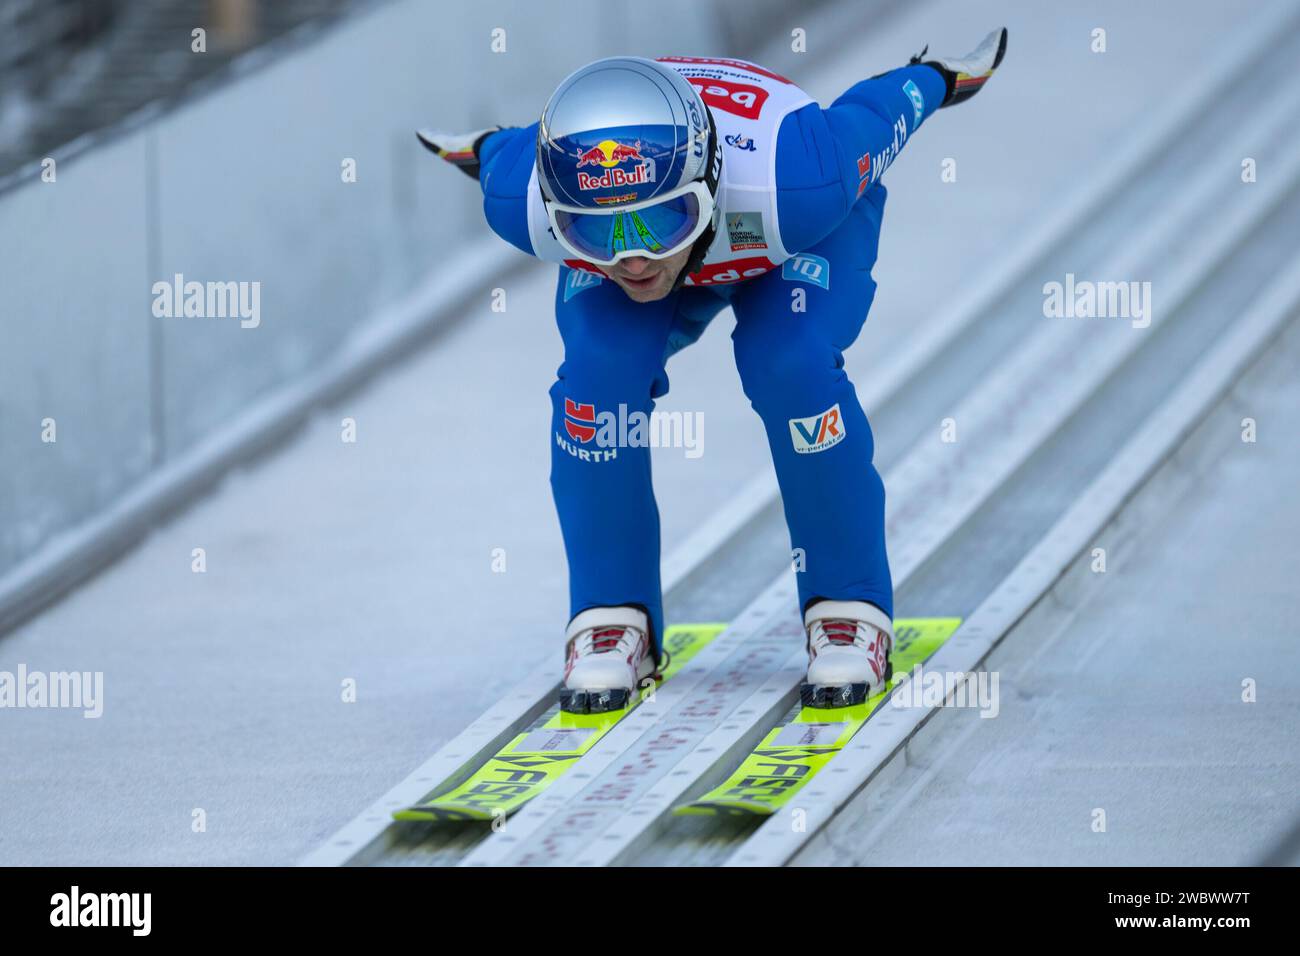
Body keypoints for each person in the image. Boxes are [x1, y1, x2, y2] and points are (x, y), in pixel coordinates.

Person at [418, 30, 1007, 712]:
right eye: (596, 232)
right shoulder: (519, 196)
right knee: (596, 377)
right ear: (556, 215)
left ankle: (849, 604)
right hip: (725, 222)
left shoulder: (803, 175)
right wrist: (481, 149)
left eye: (662, 218)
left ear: (705, 181)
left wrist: (934, 75)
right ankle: (611, 615)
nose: (632, 259)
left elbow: (877, 111)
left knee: (789, 361)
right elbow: (500, 148)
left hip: (790, 233)